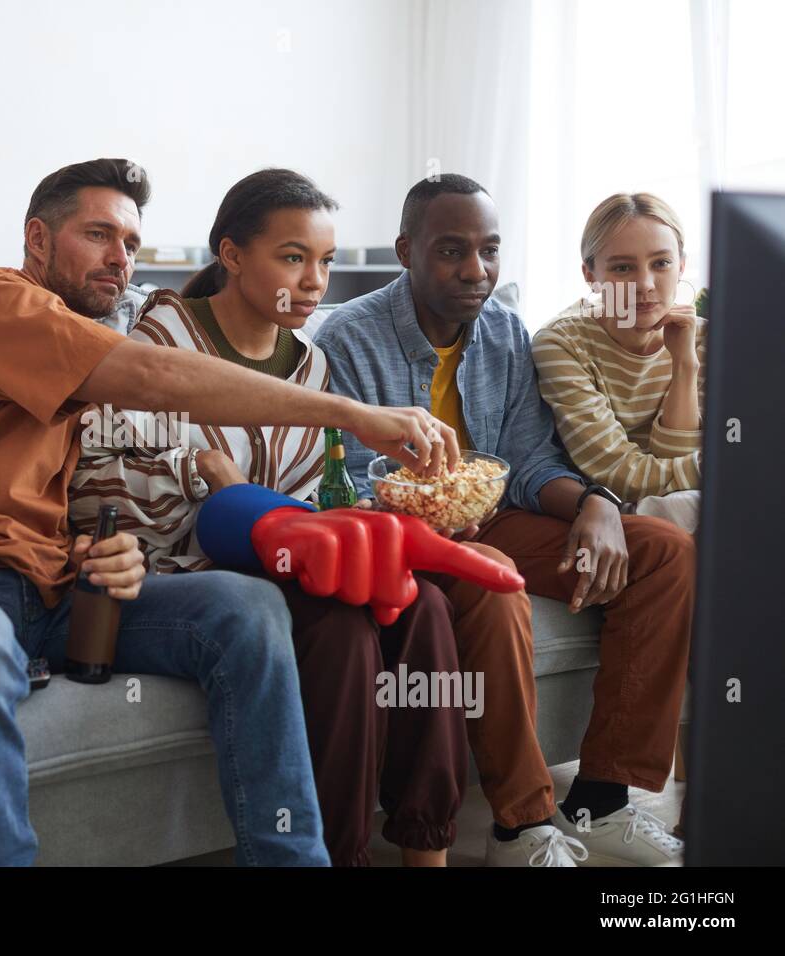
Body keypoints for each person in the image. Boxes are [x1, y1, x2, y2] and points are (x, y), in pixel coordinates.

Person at [0, 158, 480, 866]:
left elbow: (86, 492)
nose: (119, 259)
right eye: (98, 235)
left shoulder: (86, 352)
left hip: (59, 593)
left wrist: (106, 550)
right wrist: (353, 414)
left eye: (130, 243)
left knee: (246, 608)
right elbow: (157, 380)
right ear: (37, 239)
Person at [70, 169, 468, 866]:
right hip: (193, 573)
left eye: (326, 262)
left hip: (294, 560)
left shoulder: (311, 364)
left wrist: (328, 510)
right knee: (343, 633)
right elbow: (115, 497)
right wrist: (216, 488)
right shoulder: (155, 341)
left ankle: (425, 849)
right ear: (230, 255)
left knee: (425, 604)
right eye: (292, 257)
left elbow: (314, 490)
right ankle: (337, 855)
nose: (315, 281)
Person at [314, 174, 693, 866]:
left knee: (665, 551)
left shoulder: (503, 332)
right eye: (452, 251)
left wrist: (593, 504)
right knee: (493, 586)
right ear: (407, 250)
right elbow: (342, 476)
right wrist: (424, 509)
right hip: (399, 535)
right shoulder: (348, 337)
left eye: (490, 250)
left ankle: (602, 799)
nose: (476, 270)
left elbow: (525, 460)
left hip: (493, 518)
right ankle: (520, 826)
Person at [533, 193, 706, 533]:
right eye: (623, 268)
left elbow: (676, 467)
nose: (645, 285)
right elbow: (619, 474)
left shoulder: (704, 339)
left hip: (680, 505)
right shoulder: (562, 343)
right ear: (590, 275)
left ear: (682, 265)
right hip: (608, 510)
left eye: (661, 263)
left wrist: (685, 365)